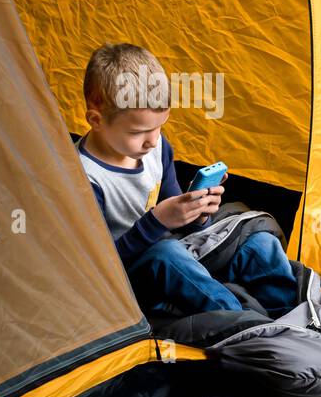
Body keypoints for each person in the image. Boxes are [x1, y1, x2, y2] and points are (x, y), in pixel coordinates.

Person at [74, 42, 298, 318]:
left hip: (174, 247)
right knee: (166, 254)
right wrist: (156, 222)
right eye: (138, 132)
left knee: (258, 240)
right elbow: (96, 267)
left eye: (159, 127)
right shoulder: (83, 178)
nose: (153, 141)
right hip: (129, 278)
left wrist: (198, 210)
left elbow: (176, 208)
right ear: (96, 120)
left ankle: (294, 317)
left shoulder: (156, 147)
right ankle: (245, 327)